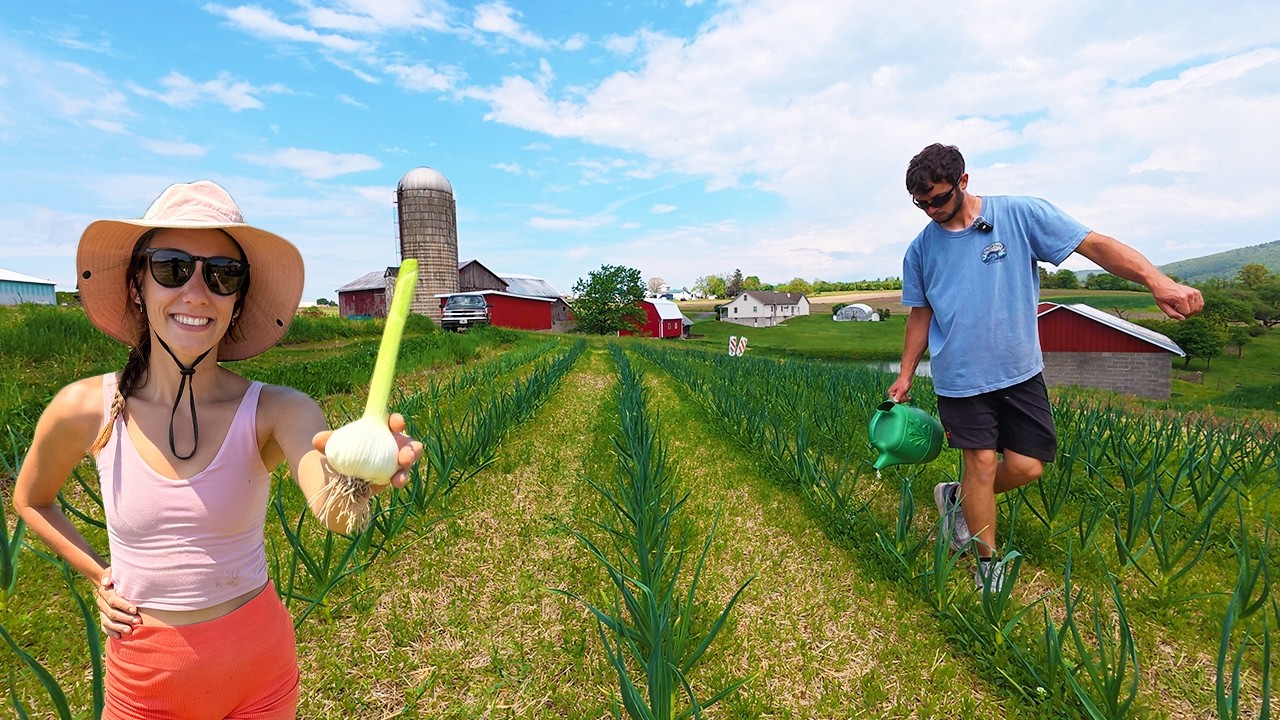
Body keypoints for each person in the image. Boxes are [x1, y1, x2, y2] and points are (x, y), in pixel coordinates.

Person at [13, 181, 423, 719]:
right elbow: (31, 499)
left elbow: (336, 514)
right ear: (138, 284)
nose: (197, 292)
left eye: (223, 275)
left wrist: (360, 475)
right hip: (143, 681)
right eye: (172, 267)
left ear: (238, 299)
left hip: (260, 671)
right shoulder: (86, 408)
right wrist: (98, 575)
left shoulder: (277, 410)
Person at [887, 143, 1202, 591]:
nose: (931, 210)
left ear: (963, 182)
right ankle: (987, 565)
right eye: (921, 204)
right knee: (978, 461)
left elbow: (1095, 245)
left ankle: (955, 498)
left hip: (1019, 371)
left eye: (938, 198)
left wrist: (1157, 280)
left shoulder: (1020, 215)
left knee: (1028, 467)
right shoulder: (920, 251)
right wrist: (904, 374)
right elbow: (921, 315)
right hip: (959, 376)